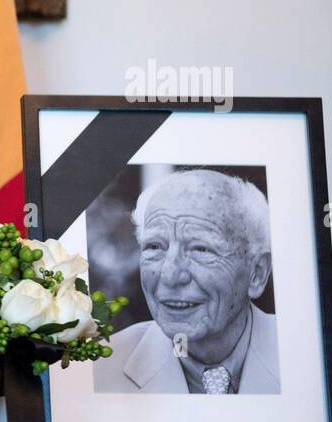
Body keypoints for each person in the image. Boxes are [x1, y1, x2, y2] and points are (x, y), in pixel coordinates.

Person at [94, 168, 280, 394]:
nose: (170, 275)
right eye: (155, 247)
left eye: (201, 249)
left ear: (257, 273)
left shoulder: (305, 356)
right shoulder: (97, 371)